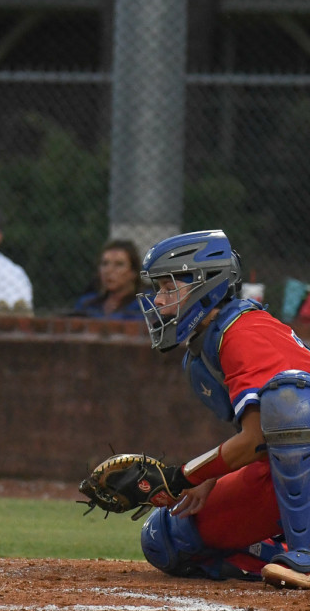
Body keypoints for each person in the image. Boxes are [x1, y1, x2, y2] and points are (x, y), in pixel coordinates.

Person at [133, 229, 310, 589]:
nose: (160, 302)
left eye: (169, 289)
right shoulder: (203, 355)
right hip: (284, 474)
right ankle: (282, 551)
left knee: (287, 399)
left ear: (205, 285)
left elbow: (265, 434)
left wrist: (183, 476)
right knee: (165, 536)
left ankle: (306, 554)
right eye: (158, 290)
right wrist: (206, 479)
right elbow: (260, 440)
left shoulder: (245, 330)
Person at [70, 239, 144, 320]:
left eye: (119, 264)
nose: (109, 270)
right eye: (104, 263)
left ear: (133, 272)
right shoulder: (86, 304)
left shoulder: (145, 304)